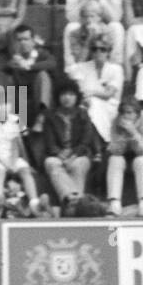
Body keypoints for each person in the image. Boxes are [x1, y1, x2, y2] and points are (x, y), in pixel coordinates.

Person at [0, 88, 41, 218]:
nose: (4, 107)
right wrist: (5, 164)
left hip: (13, 157)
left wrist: (12, 162)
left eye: (6, 104)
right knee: (0, 173)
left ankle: (34, 202)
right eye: (0, 104)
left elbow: (17, 144)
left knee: (25, 171)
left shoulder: (16, 120)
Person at [38, 80, 100, 210]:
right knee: (51, 163)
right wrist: (60, 154)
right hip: (56, 154)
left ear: (77, 97)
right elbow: (49, 142)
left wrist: (73, 154)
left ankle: (71, 206)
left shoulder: (83, 114)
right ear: (58, 96)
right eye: (63, 94)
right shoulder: (50, 115)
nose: (67, 98)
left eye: (71, 94)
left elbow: (86, 140)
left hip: (79, 153)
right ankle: (74, 200)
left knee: (78, 164)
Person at [0, 24, 56, 126]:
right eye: (19, 40)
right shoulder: (13, 59)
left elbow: (52, 63)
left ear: (33, 41)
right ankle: (3, 117)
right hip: (20, 100)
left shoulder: (41, 54)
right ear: (14, 43)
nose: (23, 43)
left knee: (43, 75)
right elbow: (1, 72)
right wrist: (10, 66)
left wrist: (28, 66)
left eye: (26, 39)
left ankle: (41, 118)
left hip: (39, 97)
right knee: (5, 77)